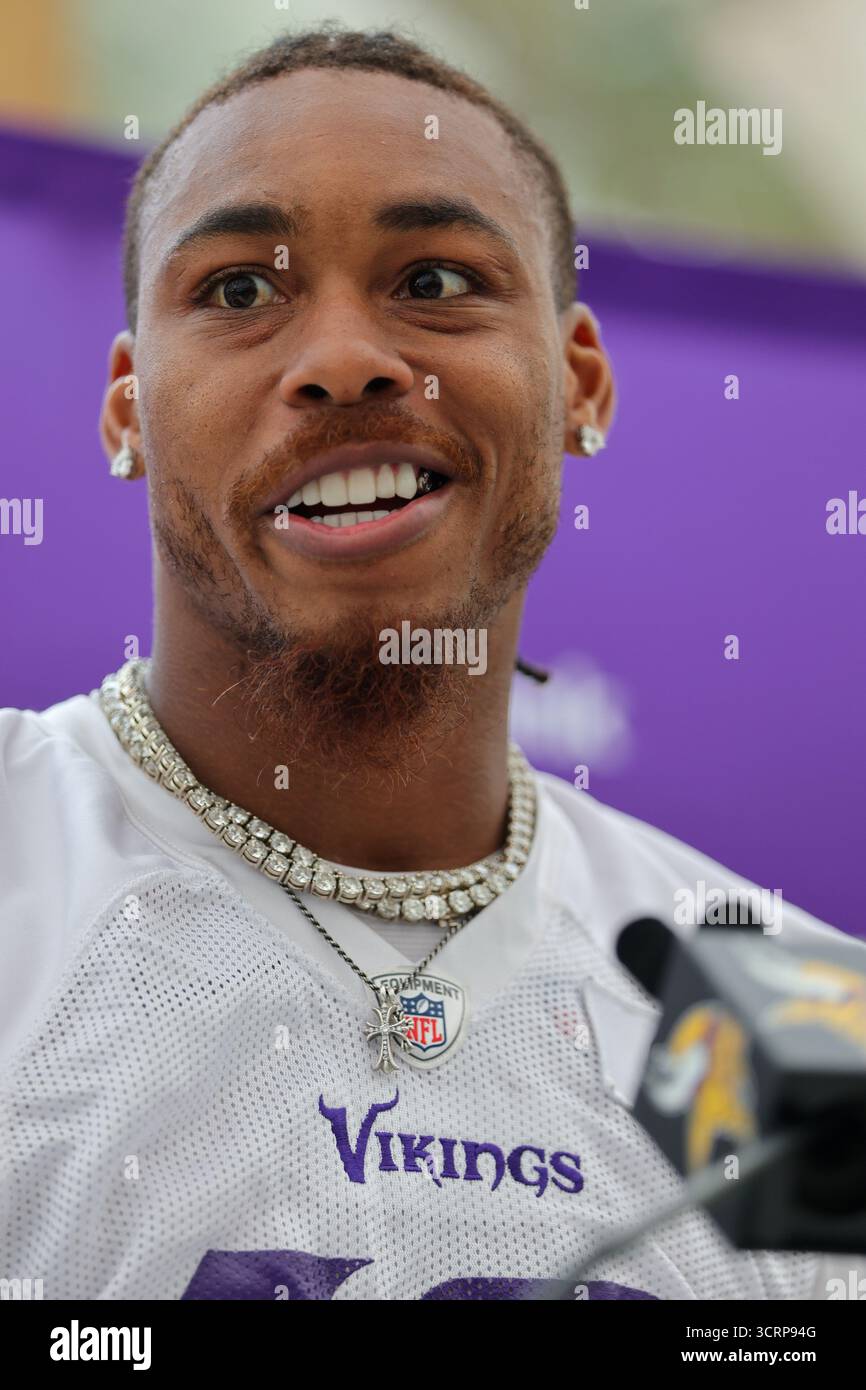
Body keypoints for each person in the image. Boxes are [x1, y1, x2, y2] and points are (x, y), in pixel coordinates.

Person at [0, 23, 857, 1301]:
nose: (344, 359)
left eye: (437, 280)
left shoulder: (794, 1023)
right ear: (128, 408)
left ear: (578, 383)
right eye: (238, 290)